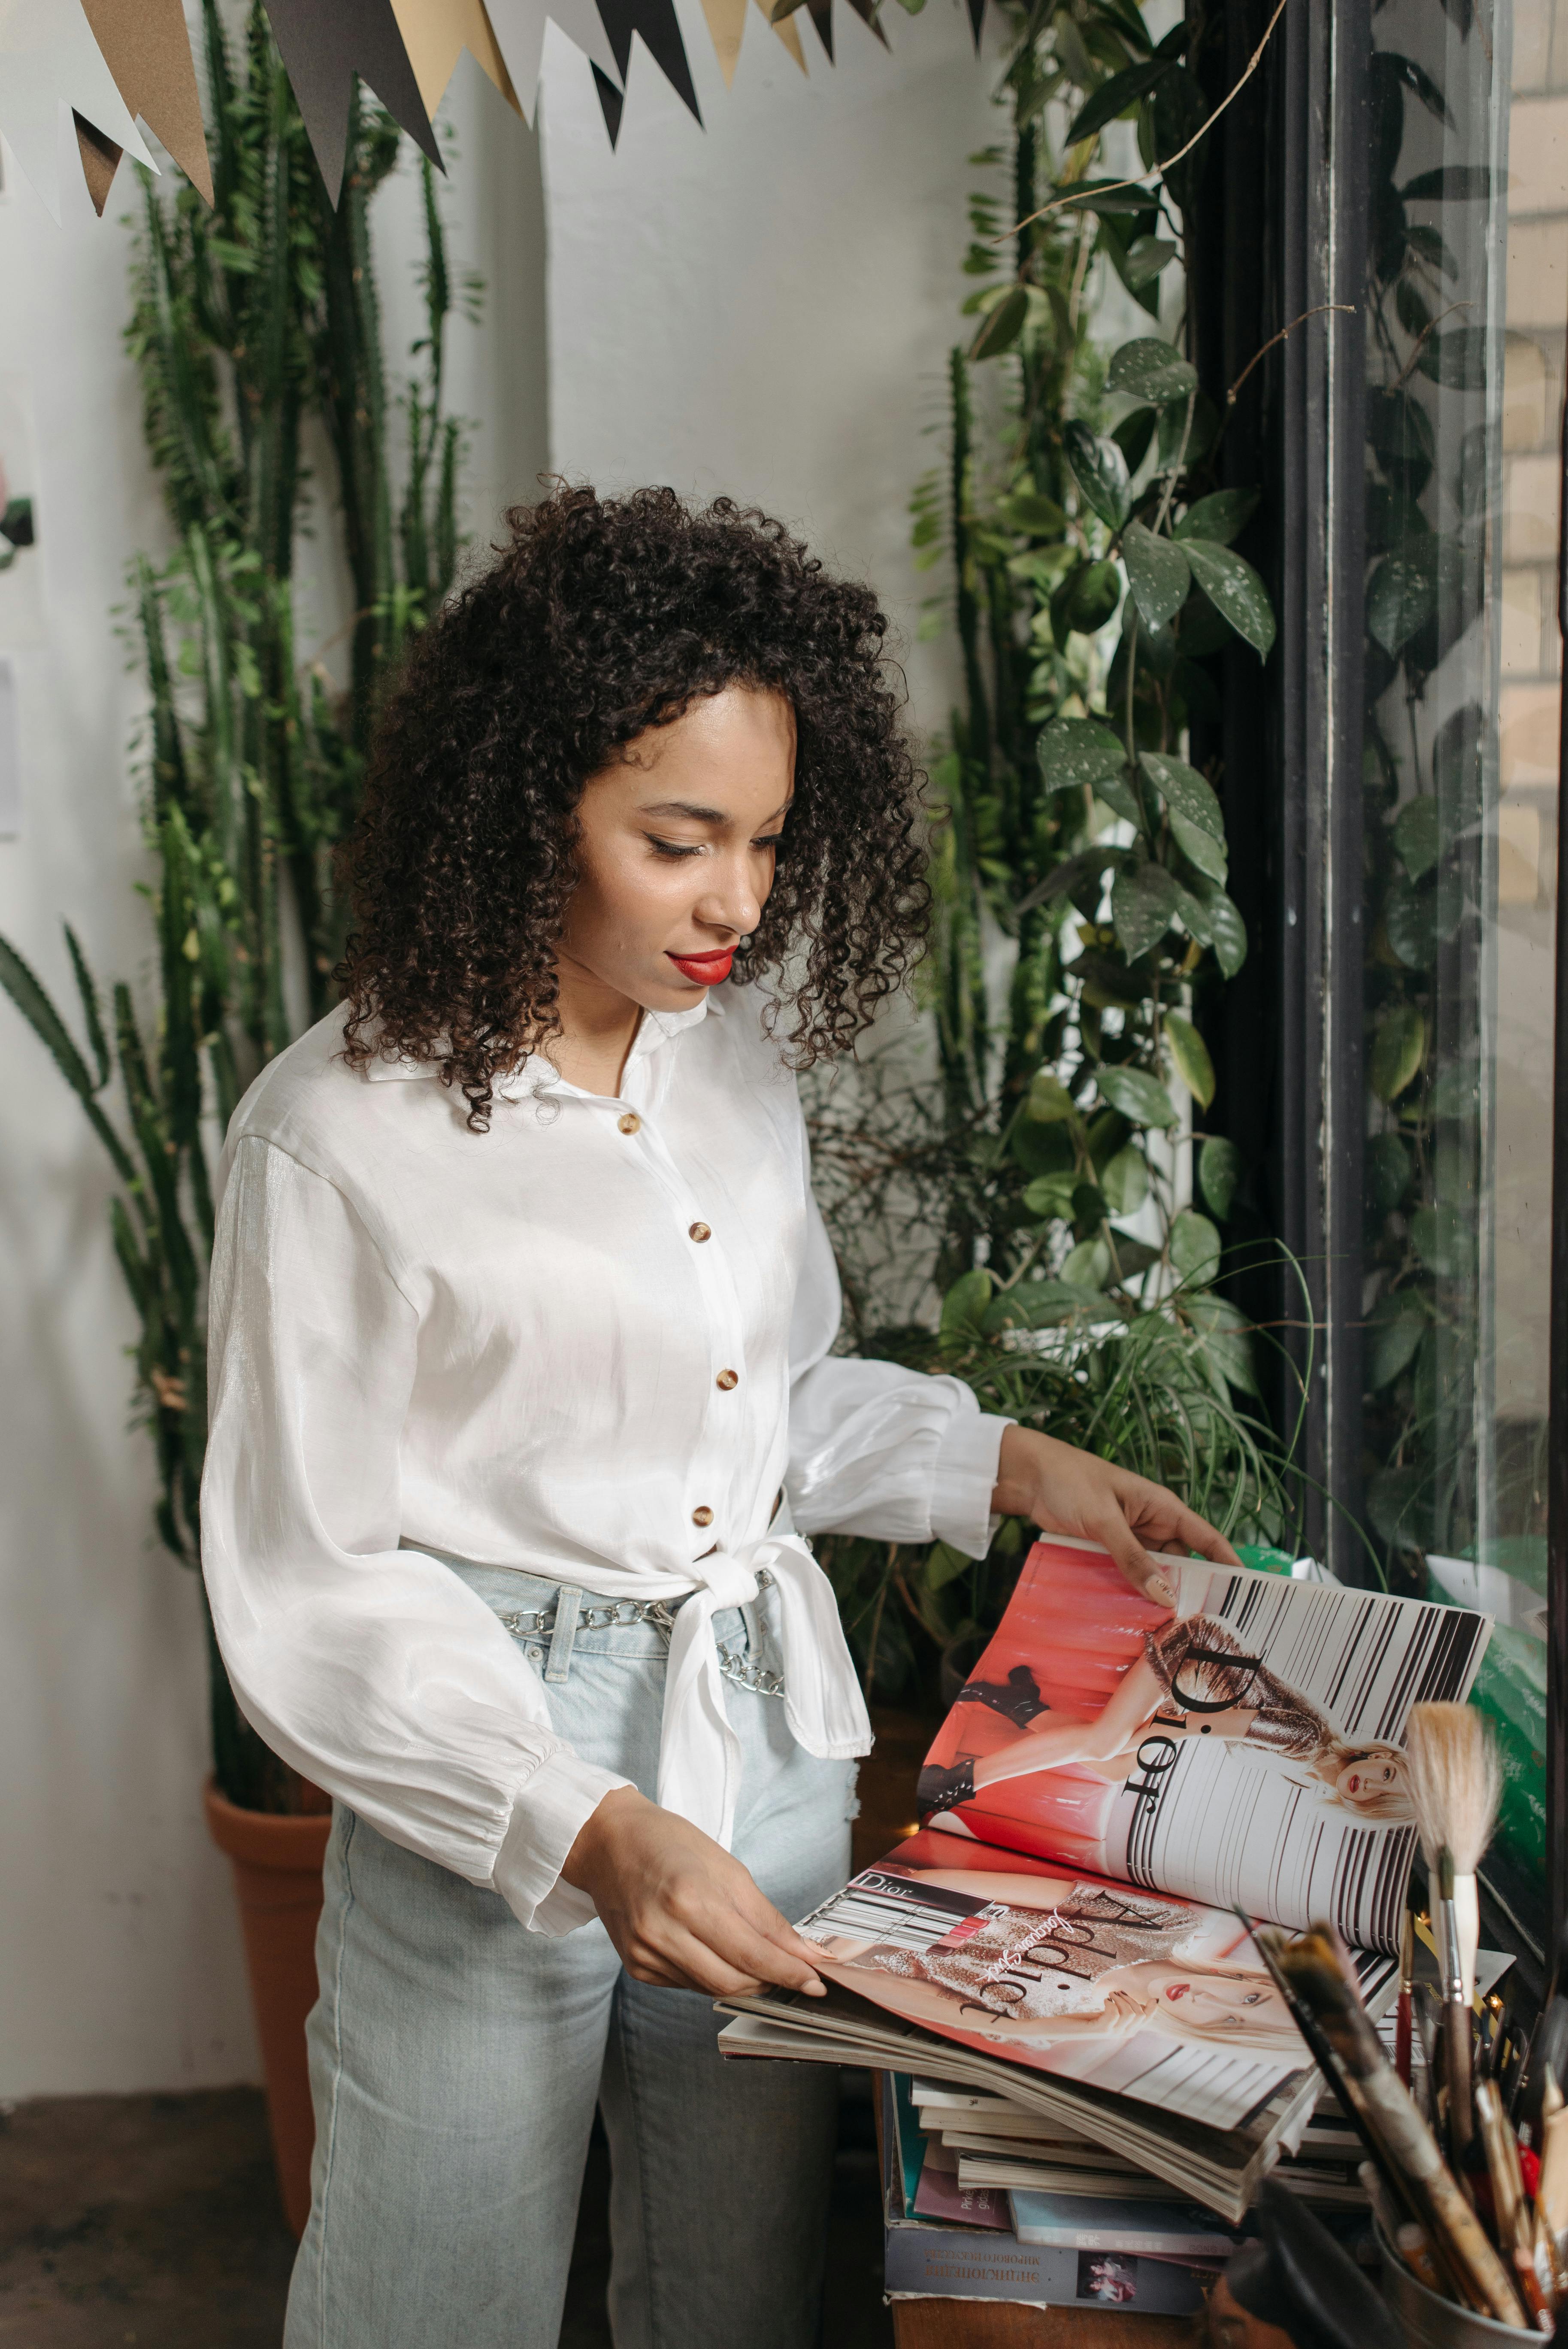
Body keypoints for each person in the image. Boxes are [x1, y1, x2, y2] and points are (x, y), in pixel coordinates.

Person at [199, 485, 1240, 2349]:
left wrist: (1004, 1467)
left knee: (741, 2281)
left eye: (765, 840)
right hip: (489, 1751)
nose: (739, 904)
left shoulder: (727, 1065)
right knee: (429, 2290)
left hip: (755, 1721)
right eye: (680, 841)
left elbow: (755, 1403)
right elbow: (310, 1583)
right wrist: (578, 1825)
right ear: (531, 812)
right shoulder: (338, 1134)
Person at [919, 1609, 1413, 1823]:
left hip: (1205, 1695)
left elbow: (1210, 1727)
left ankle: (1023, 1705)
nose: (1370, 1785)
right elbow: (1212, 1727)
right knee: (1106, 1745)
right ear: (1382, 1755)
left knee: (1113, 1767)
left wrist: (1148, 1738)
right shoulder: (1308, 1740)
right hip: (1199, 1653)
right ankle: (958, 1781)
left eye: (1382, 1798)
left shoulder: (1312, 1775)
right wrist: (1147, 1734)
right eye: (1386, 1773)